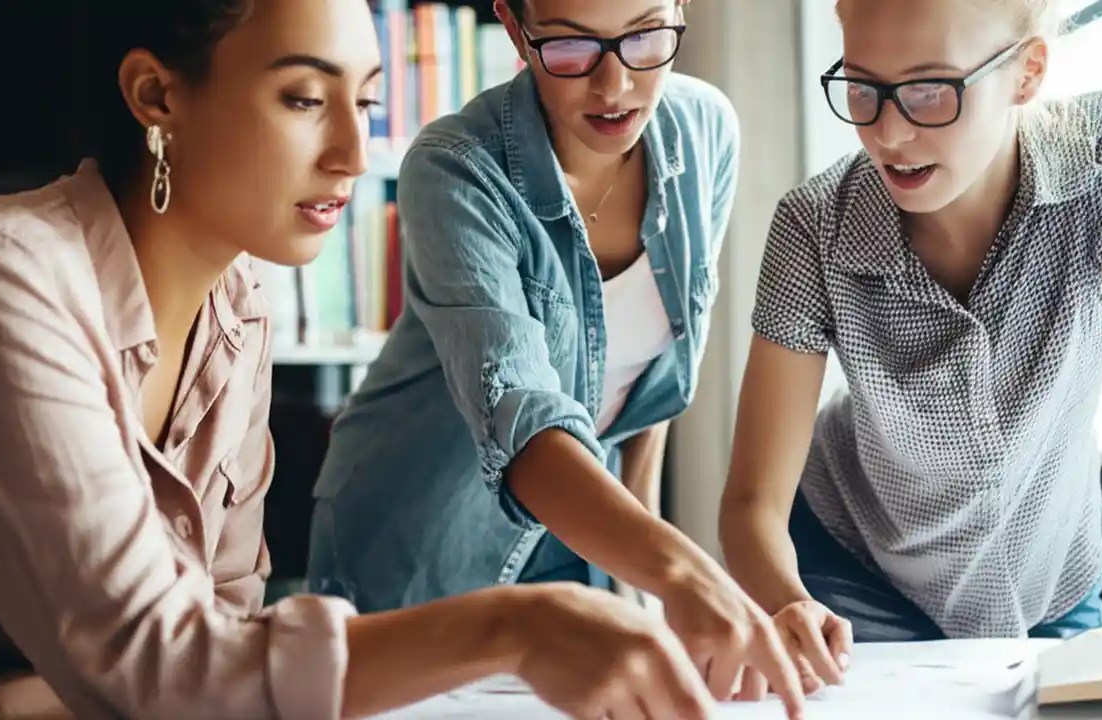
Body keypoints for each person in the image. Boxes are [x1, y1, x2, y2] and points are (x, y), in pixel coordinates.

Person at [0, 2, 735, 718]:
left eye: (364, 102)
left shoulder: (239, 304)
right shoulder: (3, 277)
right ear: (156, 95)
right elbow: (161, 664)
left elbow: (220, 627)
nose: (354, 155)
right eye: (304, 100)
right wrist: (515, 627)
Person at [306, 0, 807, 708]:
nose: (613, 86)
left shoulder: (704, 130)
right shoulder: (454, 169)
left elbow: (648, 388)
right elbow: (524, 423)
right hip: (418, 537)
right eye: (571, 48)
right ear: (515, 27)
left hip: (589, 539)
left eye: (644, 37)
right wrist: (685, 575)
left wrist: (643, 590)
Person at [719, 0, 1102, 697]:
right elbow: (750, 501)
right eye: (864, 89)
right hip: (854, 579)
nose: (888, 131)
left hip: (1050, 593)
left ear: (1027, 72)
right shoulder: (812, 226)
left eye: (929, 90)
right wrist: (786, 600)